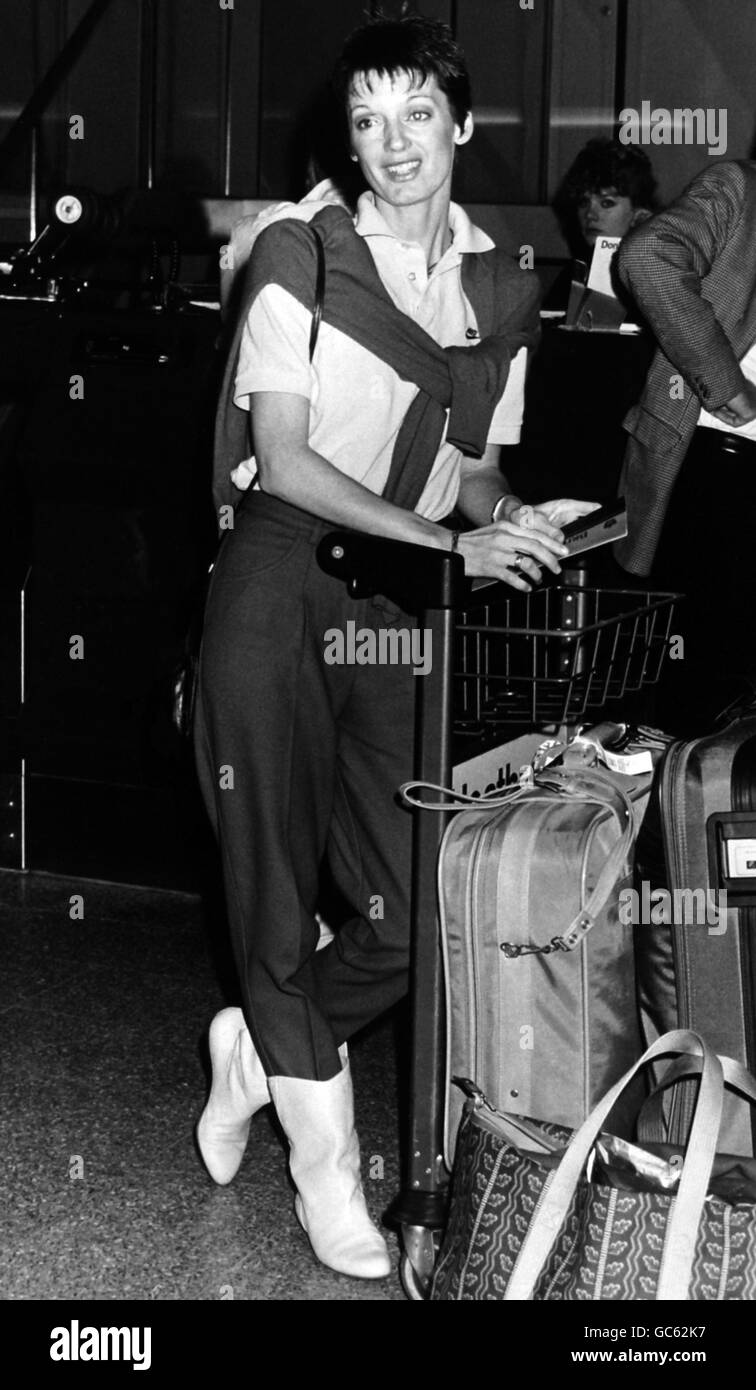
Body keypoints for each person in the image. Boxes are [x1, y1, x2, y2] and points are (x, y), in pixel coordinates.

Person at [193, 12, 597, 1281]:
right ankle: (326, 1168)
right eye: (367, 120)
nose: (392, 142)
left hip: (392, 606)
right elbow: (293, 457)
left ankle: (259, 1047)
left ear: (463, 124)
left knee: (419, 901)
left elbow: (472, 474)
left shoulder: (500, 284)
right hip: (275, 577)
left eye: (416, 112)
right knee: (271, 880)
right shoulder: (295, 253)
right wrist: (448, 548)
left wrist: (511, 517)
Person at [612, 157, 756, 732]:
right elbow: (648, 256)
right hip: (727, 472)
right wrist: (731, 391)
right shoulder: (739, 189)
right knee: (704, 711)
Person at [554, 136, 659, 261]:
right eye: (583, 202)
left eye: (606, 203)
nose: (590, 215)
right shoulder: (575, 271)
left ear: (640, 214)